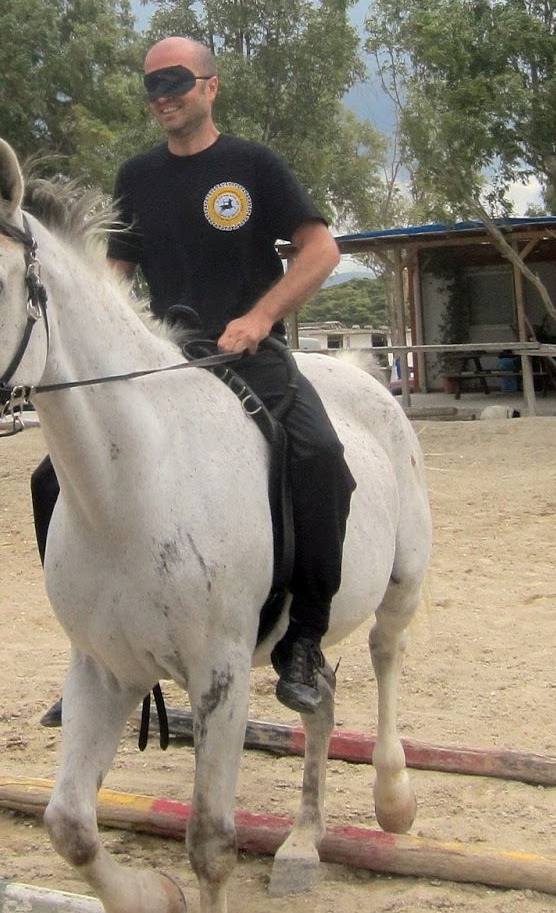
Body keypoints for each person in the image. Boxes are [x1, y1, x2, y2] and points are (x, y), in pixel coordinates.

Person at [33, 35, 355, 723]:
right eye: (151, 85)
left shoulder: (254, 166)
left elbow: (321, 250)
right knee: (48, 477)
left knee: (322, 459)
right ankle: (95, 649)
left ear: (210, 85)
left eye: (176, 80)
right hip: (162, 363)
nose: (163, 95)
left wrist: (261, 316)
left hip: (248, 352)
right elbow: (114, 277)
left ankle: (304, 640)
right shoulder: (137, 178)